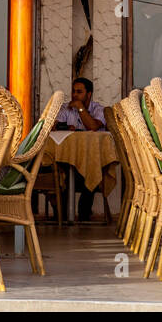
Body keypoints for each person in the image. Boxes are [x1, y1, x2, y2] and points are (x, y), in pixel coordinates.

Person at [55, 77, 107, 221]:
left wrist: (81, 108)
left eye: (79, 92)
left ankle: (83, 212)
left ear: (89, 94)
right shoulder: (66, 108)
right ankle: (62, 214)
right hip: (67, 158)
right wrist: (63, 126)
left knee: (91, 169)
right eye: (73, 92)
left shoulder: (99, 109)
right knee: (57, 170)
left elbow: (93, 126)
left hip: (91, 160)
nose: (74, 95)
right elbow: (54, 126)